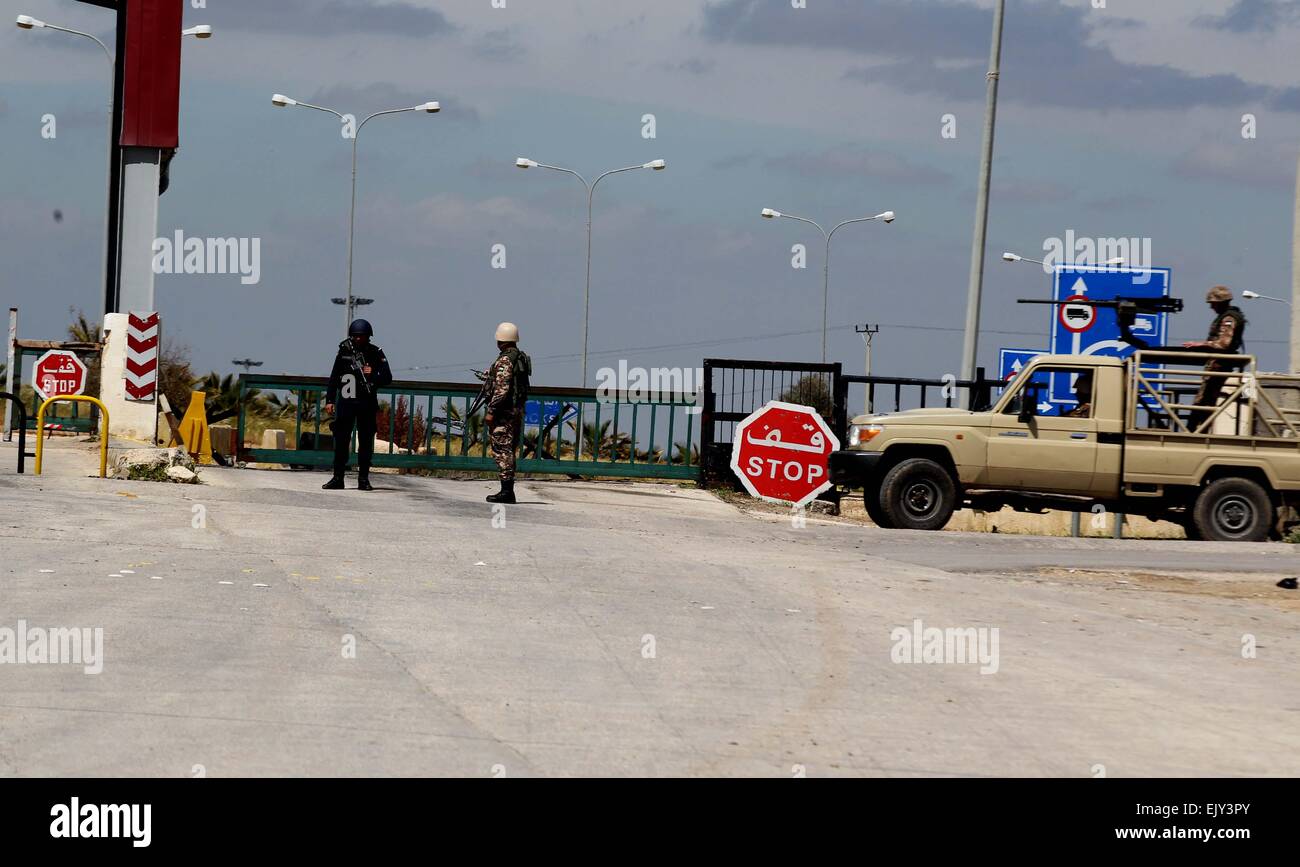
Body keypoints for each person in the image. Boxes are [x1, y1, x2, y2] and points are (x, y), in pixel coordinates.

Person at [323, 319, 392, 491]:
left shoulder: (376, 353)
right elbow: (333, 377)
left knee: (366, 442)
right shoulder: (344, 352)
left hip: (366, 403)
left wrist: (373, 374)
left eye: (361, 336)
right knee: (341, 441)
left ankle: (363, 479)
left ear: (368, 336)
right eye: (355, 336)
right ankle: (338, 478)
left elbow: (387, 376)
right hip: (346, 402)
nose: (358, 339)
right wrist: (330, 400)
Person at [1182, 286, 1246, 432]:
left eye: (1213, 303)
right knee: (1204, 402)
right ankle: (1197, 430)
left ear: (1221, 302)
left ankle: (1195, 432)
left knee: (1203, 401)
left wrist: (1200, 344)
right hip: (1216, 365)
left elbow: (1224, 344)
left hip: (1219, 366)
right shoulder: (1226, 316)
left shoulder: (1229, 319)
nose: (1211, 306)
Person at [484, 322, 531, 504]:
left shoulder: (505, 360)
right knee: (509, 450)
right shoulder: (519, 357)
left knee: (502, 450)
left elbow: (502, 389)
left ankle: (506, 492)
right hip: (516, 409)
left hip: (504, 412)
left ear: (501, 340)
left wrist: (491, 410)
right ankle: (507, 490)